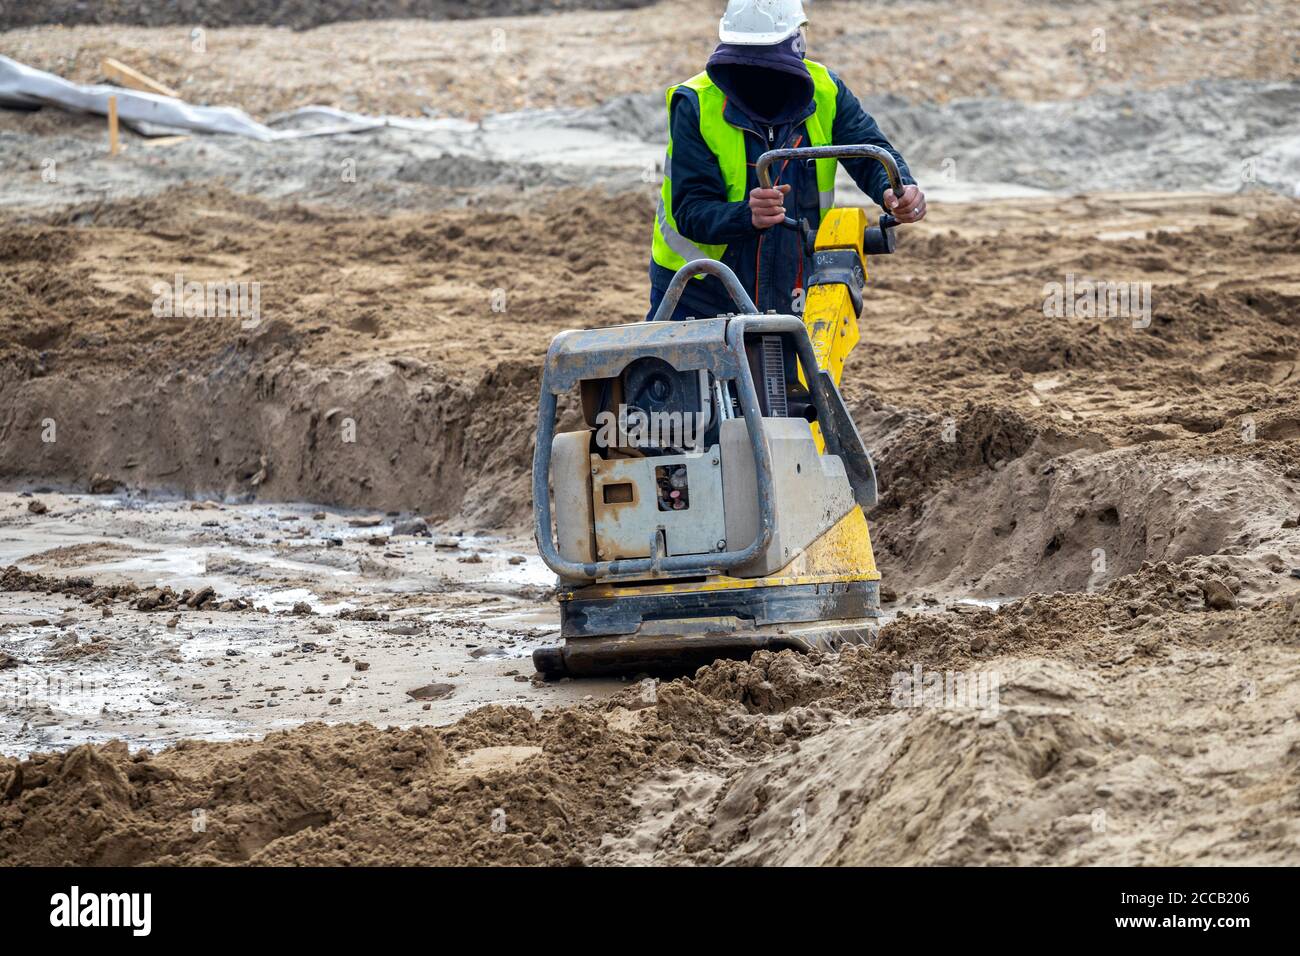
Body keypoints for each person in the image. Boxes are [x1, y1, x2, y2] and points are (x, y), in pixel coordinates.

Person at [648, 0, 925, 321]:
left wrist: (895, 189)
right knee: (688, 371)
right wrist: (745, 215)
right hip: (699, 287)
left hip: (791, 276)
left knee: (789, 370)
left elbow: (869, 150)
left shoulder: (826, 90)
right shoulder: (696, 103)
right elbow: (691, 210)